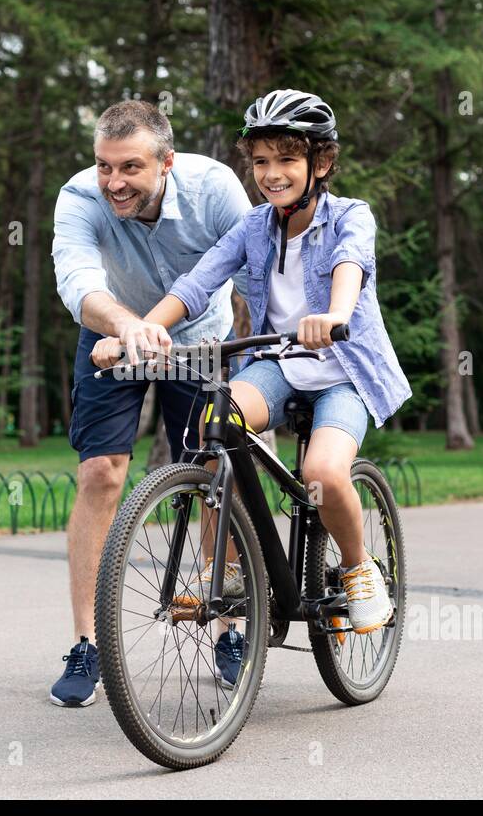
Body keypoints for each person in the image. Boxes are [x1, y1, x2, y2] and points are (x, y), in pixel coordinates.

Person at [93, 89, 412, 676]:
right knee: (216, 426)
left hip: (344, 371)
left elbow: (351, 267)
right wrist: (139, 331)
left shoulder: (350, 215)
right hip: (280, 364)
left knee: (321, 473)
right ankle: (235, 570)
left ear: (321, 163)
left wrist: (336, 316)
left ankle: (357, 564)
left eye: (287, 160)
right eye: (260, 161)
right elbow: (196, 283)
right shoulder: (254, 228)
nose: (271, 174)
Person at [47, 99, 251, 706]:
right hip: (113, 336)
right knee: (101, 474)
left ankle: (230, 627)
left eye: (130, 168)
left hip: (201, 339)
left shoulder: (215, 188)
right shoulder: (80, 197)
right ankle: (86, 643)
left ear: (166, 162)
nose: (114, 183)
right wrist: (127, 326)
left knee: (216, 476)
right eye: (105, 166)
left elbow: (257, 264)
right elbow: (78, 280)